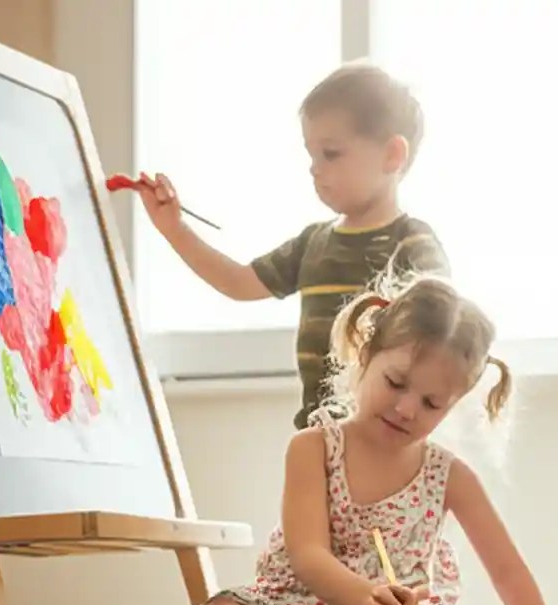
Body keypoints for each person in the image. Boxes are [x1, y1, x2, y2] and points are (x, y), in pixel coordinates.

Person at [173, 274, 558, 605]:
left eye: (431, 403)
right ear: (366, 356)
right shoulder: (313, 448)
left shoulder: (449, 475)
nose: (406, 409)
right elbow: (308, 555)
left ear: (452, 405)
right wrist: (366, 597)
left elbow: (509, 572)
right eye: (396, 382)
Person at [136, 60, 450, 429]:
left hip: (389, 433)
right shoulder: (313, 244)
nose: (315, 168)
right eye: (311, 154)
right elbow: (238, 282)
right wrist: (173, 228)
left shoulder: (412, 243)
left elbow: (442, 333)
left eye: (330, 153)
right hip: (318, 432)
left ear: (392, 155)